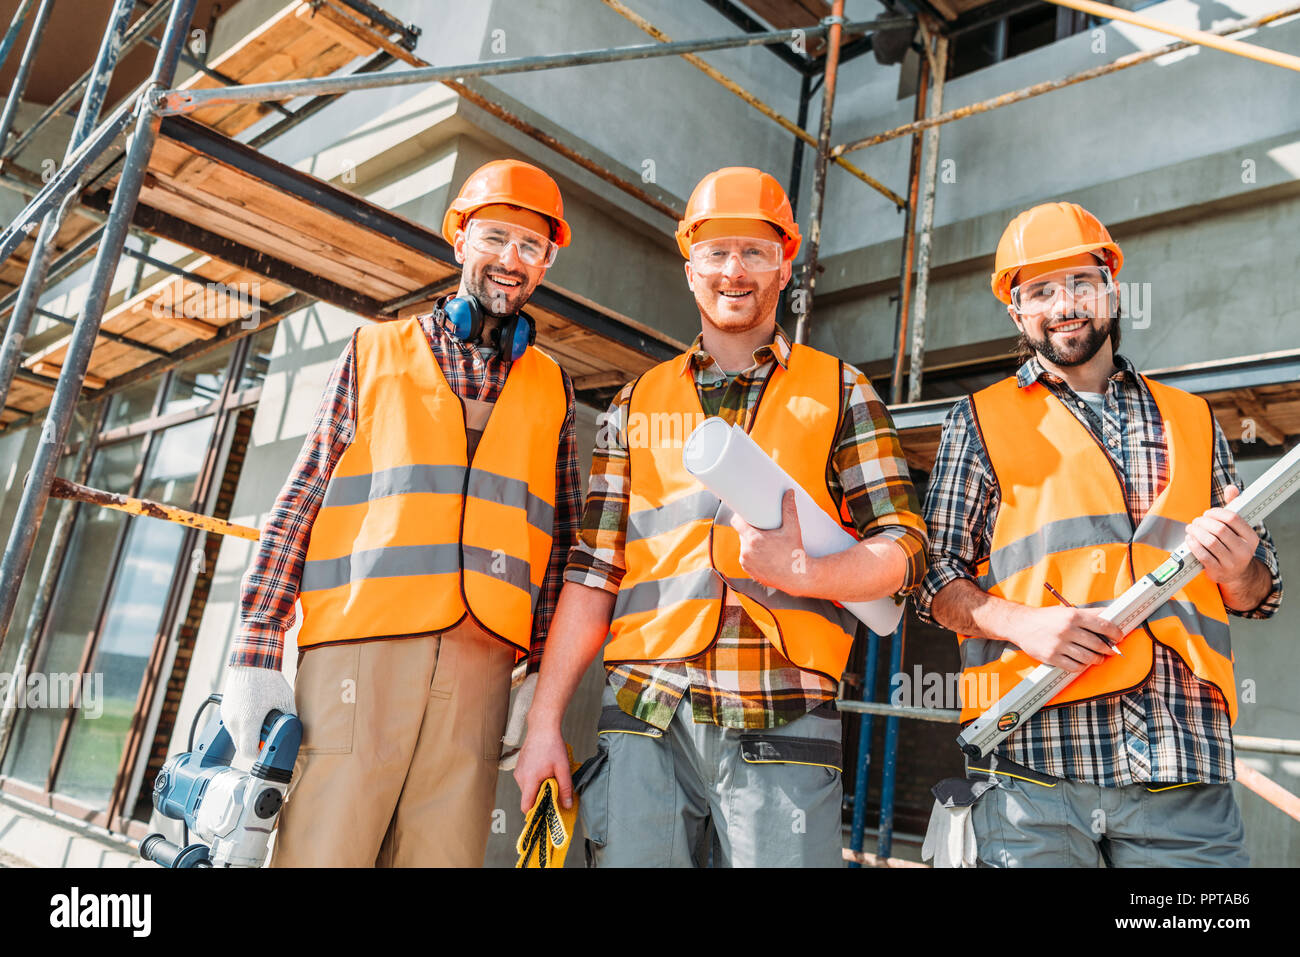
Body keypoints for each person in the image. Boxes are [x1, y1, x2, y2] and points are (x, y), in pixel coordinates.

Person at [513, 166, 928, 867]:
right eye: (716, 252)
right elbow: (592, 572)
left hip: (784, 718)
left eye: (756, 251)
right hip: (646, 717)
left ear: (785, 264)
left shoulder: (840, 390)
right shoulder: (635, 403)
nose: (734, 270)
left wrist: (808, 570)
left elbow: (907, 548)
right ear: (689, 268)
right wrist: (542, 721)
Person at [219, 159, 583, 866]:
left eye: (531, 247)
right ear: (458, 239)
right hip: (357, 657)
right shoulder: (373, 351)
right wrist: (257, 643)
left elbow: (564, 548)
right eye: (496, 237)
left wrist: (539, 679)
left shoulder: (556, 391)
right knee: (323, 853)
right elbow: (300, 497)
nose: (512, 259)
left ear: (546, 263)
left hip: (482, 674)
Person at [916, 202, 1283, 867]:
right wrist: (1021, 623)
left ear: (1112, 285)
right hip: (1036, 767)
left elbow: (1261, 592)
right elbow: (934, 577)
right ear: (1017, 312)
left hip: (1183, 771)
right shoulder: (976, 421)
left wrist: (1238, 568)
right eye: (1040, 291)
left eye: (1081, 282)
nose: (1065, 303)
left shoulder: (1193, 419)